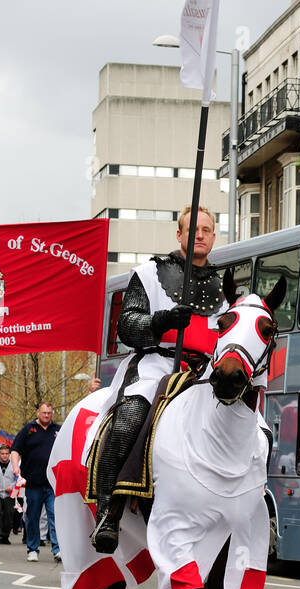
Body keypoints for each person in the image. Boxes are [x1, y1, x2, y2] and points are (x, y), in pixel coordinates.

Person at [89, 205, 224, 552]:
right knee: (129, 419)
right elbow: (126, 327)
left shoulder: (225, 286)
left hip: (205, 372)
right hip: (158, 366)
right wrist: (162, 320)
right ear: (179, 235)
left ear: (213, 236)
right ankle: (108, 510)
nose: (200, 234)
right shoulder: (149, 274)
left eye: (206, 230)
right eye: (192, 229)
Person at [11, 402, 60, 562]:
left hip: (53, 483)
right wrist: (15, 467)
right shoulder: (28, 429)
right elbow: (15, 449)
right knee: (32, 516)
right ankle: (32, 548)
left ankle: (57, 549)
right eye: (44, 412)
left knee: (55, 515)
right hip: (33, 483)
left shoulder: (58, 430)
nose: (47, 415)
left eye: (49, 413)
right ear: (38, 412)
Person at [0, 445, 18, 544]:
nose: (5, 456)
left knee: (9, 514)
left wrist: (12, 487)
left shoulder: (14, 465)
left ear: (9, 454)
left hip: (9, 493)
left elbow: (18, 479)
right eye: (2, 454)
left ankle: (5, 536)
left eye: (7, 454)